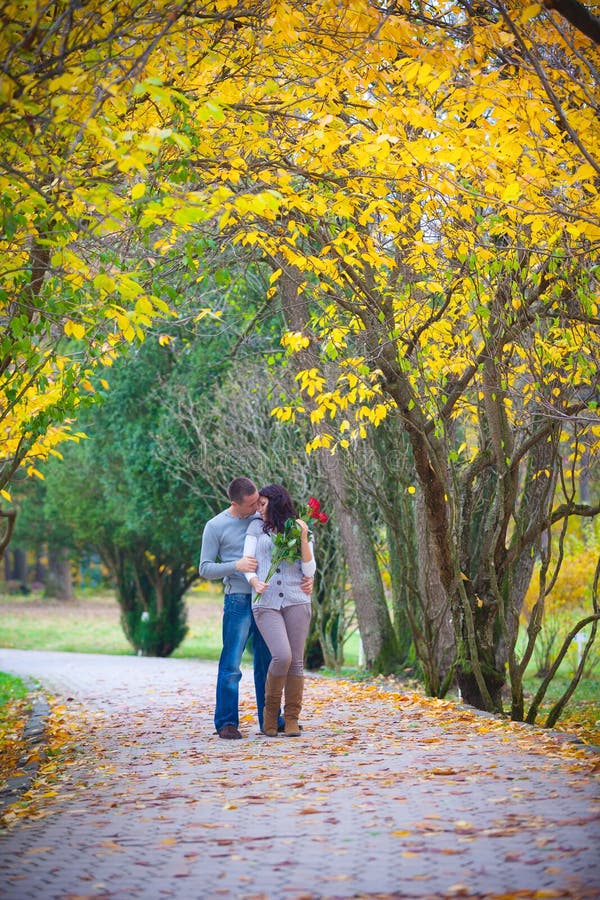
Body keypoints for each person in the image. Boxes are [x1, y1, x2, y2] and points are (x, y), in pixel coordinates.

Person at [199, 477, 312, 740]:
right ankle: (227, 722)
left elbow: (295, 556)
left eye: (258, 502)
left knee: (269, 660)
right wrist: (235, 566)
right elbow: (204, 568)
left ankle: (271, 719)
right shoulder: (215, 526)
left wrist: (309, 578)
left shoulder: (263, 518)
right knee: (232, 663)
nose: (256, 508)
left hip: (268, 600)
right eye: (251, 504)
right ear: (234, 503)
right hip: (239, 598)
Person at [243, 484, 315, 738]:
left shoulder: (300, 528)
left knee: (296, 661)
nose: (259, 509)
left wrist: (303, 538)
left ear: (276, 503)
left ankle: (292, 718)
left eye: (263, 504)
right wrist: (254, 581)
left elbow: (309, 570)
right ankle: (270, 715)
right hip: (266, 602)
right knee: (282, 656)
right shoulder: (255, 528)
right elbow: (248, 562)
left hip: (297, 600)